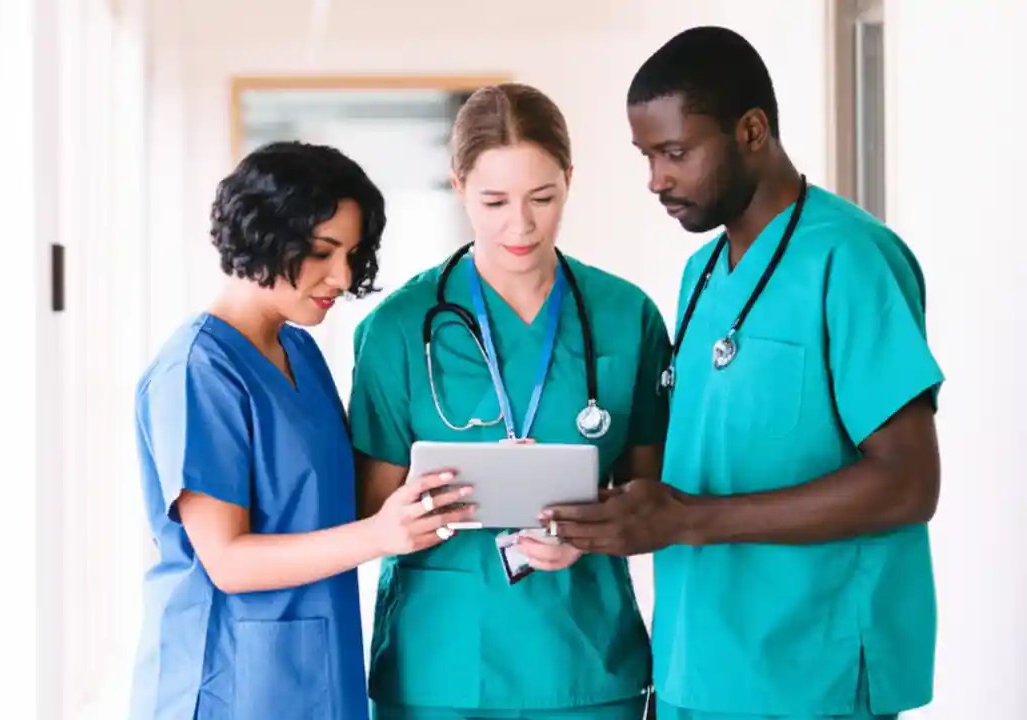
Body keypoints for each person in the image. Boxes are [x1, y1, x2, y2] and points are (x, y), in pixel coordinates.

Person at [543, 26, 944, 720]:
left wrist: (690, 520)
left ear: (752, 130)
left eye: (675, 152)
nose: (656, 180)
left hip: (808, 671)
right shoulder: (700, 277)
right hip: (695, 667)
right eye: (646, 157)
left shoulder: (850, 259)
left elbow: (908, 483)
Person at [349, 83, 670, 720]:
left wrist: (588, 535)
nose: (519, 225)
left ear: (570, 180)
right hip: (440, 664)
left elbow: (652, 500)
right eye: (493, 200)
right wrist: (425, 510)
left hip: (583, 662)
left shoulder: (625, 316)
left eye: (542, 197)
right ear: (459, 184)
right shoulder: (398, 329)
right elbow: (369, 511)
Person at [129, 141, 476, 720]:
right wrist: (381, 536)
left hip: (317, 664)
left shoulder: (300, 351)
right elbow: (228, 561)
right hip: (228, 680)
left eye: (353, 253)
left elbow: (329, 508)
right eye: (322, 252)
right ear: (262, 236)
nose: (342, 276)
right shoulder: (198, 371)